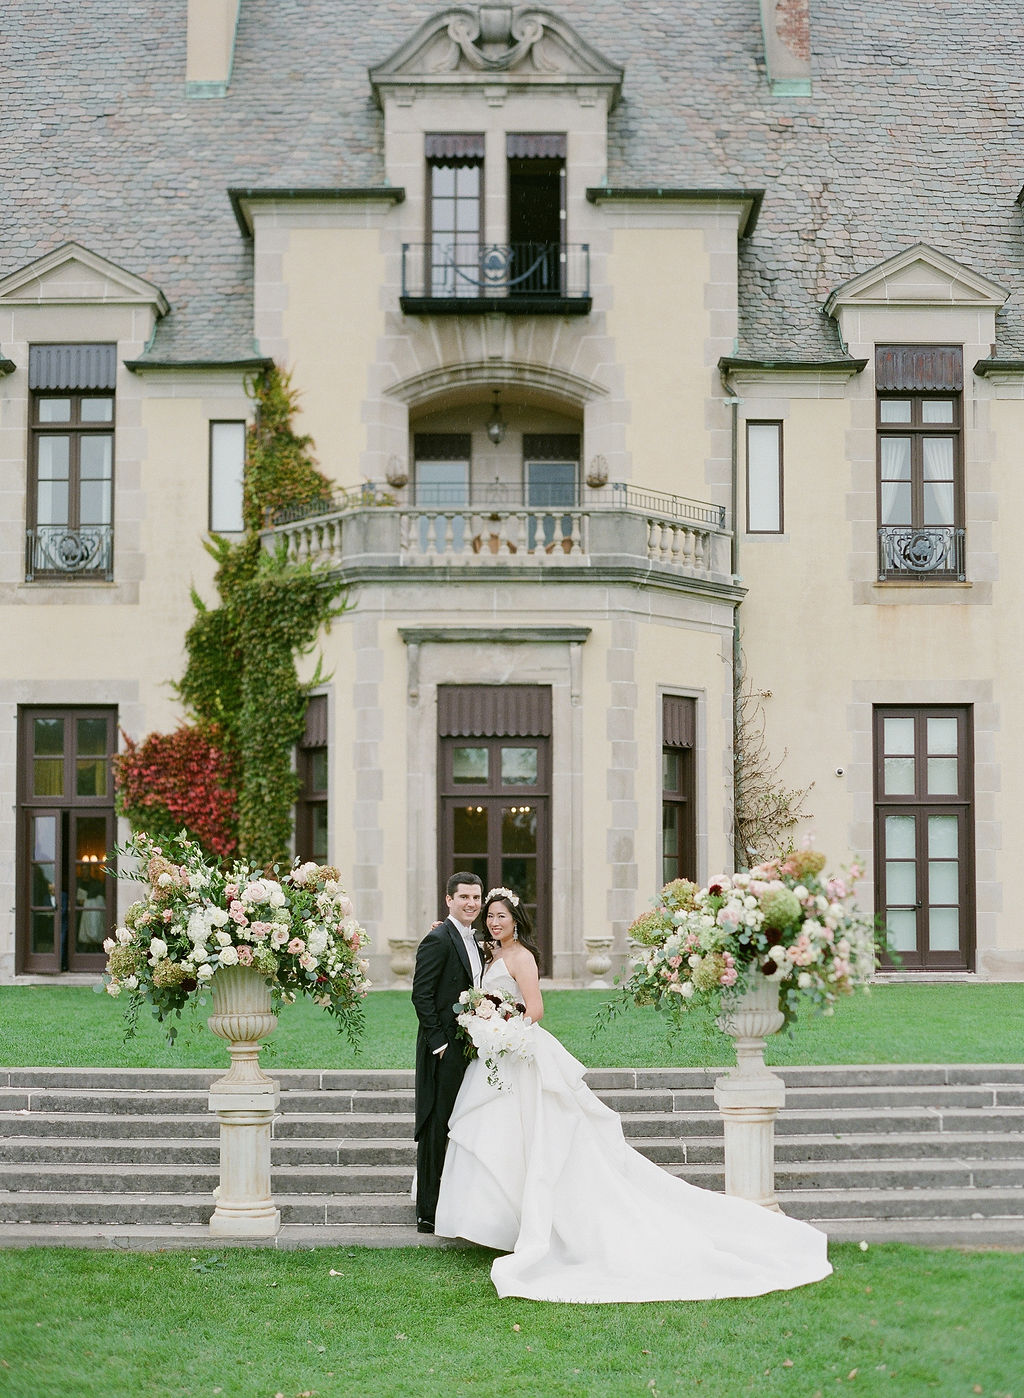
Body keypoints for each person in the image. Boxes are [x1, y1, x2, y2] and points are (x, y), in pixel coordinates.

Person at [434, 887, 833, 1303]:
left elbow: (534, 1009)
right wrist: (482, 1017)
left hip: (518, 1049)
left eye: (501, 916)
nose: (494, 922)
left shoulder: (522, 958)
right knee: (498, 1137)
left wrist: (501, 1025)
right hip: (495, 1055)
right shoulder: (489, 953)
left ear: (516, 920)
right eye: (491, 916)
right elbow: (467, 959)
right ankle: (499, 1222)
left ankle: (538, 1223)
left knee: (537, 1137)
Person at [410, 871, 484, 1234]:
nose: (471, 903)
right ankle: (428, 1211)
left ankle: (452, 1200)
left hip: (469, 1047)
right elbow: (421, 994)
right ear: (449, 900)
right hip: (443, 1049)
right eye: (464, 897)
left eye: (476, 897)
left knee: (457, 1122)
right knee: (436, 1124)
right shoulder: (438, 939)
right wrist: (439, 1044)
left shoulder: (474, 940)